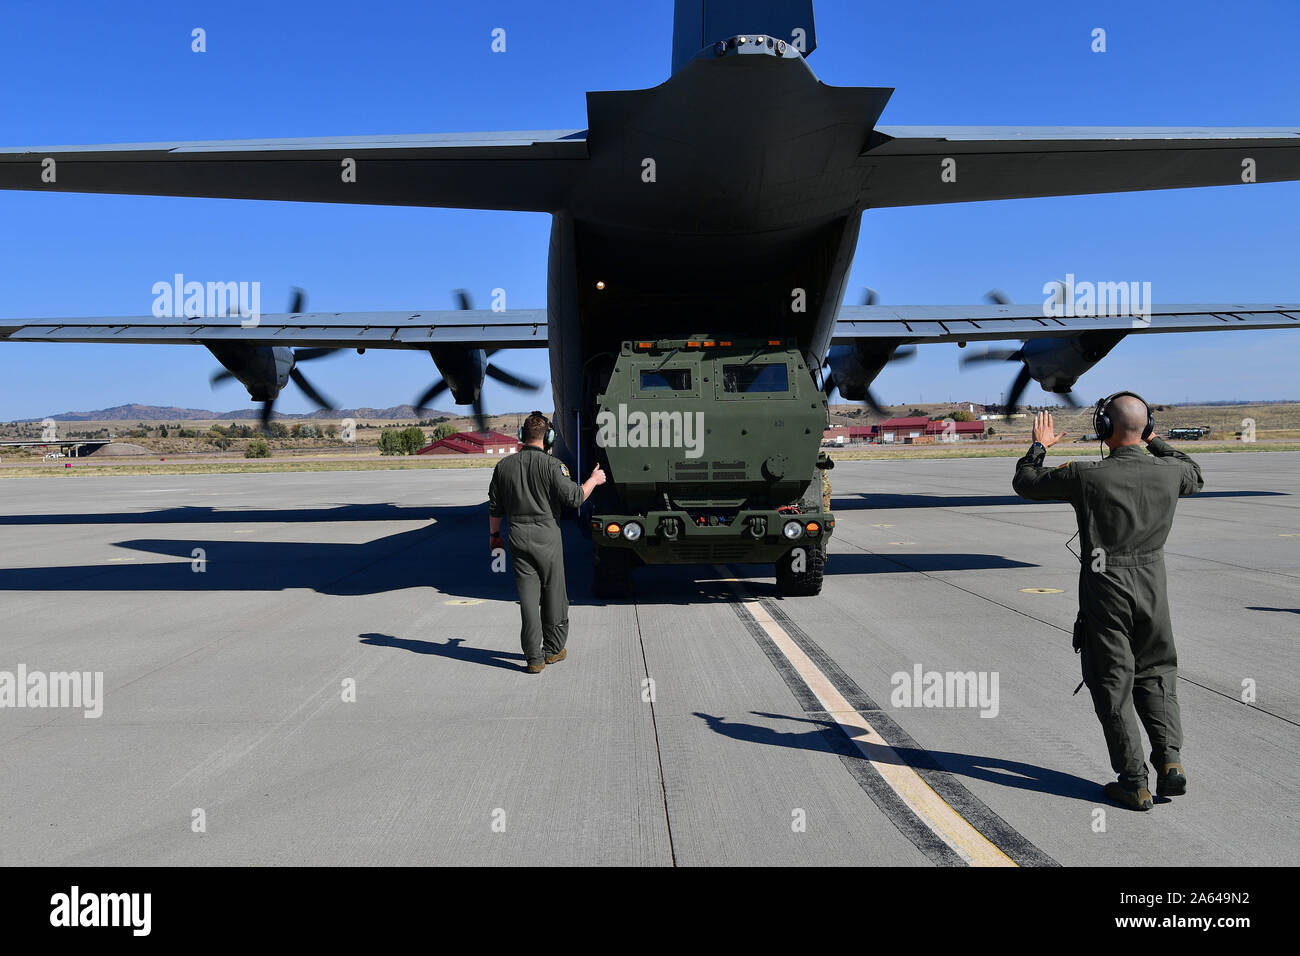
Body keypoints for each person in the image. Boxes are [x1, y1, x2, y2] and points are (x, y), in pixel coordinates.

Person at [1012, 394, 1203, 811]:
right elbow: (1195, 472)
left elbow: (1026, 483)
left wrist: (1039, 445)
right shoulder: (1171, 472)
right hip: (1154, 587)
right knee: (1155, 673)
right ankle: (1170, 760)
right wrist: (1156, 441)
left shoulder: (1086, 475)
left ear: (1103, 429)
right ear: (1146, 426)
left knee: (1112, 681)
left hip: (1106, 586)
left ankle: (1134, 782)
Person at [488, 412, 606, 674]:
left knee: (528, 599)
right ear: (549, 437)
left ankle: (533, 658)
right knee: (554, 594)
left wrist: (495, 537)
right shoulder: (555, 466)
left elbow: (495, 508)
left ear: (521, 436)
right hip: (547, 538)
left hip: (518, 538)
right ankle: (553, 650)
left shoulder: (503, 467)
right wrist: (593, 481)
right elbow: (575, 498)